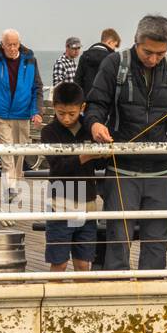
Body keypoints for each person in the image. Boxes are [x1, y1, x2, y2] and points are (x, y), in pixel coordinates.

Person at [84, 14, 167, 271]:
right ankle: (115, 292)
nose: (153, 58)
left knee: (157, 241)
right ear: (136, 41)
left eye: (160, 53)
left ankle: (152, 291)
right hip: (122, 168)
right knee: (118, 239)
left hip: (161, 169)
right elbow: (96, 104)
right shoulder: (115, 64)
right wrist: (94, 125)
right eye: (148, 52)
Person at [40, 81, 104, 273]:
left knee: (84, 264)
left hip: (88, 204)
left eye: (72, 114)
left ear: (82, 108)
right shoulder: (48, 132)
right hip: (60, 205)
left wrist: (104, 153)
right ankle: (52, 301)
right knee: (58, 263)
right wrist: (86, 156)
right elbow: (58, 166)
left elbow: (99, 165)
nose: (66, 118)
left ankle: (83, 301)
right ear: (54, 108)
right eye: (61, 113)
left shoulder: (90, 130)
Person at [0, 29, 43, 200]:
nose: (13, 48)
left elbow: (37, 87)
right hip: (0, 114)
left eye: (15, 44)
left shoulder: (30, 60)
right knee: (7, 151)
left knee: (19, 153)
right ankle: (10, 188)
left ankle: (15, 184)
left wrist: (36, 112)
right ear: (2, 44)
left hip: (22, 115)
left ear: (19, 43)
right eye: (9, 45)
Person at [74, 29, 120, 97]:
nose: (114, 49)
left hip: (86, 101)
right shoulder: (111, 59)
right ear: (109, 42)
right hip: (104, 102)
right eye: (114, 46)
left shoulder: (84, 56)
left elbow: (77, 81)